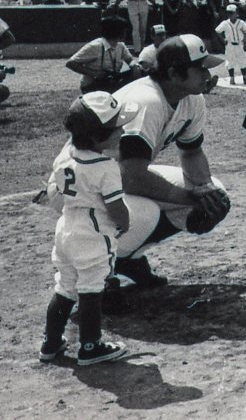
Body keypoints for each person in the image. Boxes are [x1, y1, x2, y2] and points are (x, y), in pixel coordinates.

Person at [39, 35, 231, 291]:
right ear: (174, 73)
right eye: (200, 67)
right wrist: (190, 197)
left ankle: (128, 257)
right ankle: (97, 274)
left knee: (215, 191)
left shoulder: (191, 98)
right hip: (77, 184)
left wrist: (204, 189)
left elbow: (192, 153)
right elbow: (132, 178)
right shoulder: (146, 101)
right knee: (144, 213)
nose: (207, 73)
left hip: (115, 174)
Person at [38, 93, 137, 366]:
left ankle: (51, 342)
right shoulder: (106, 167)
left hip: (66, 226)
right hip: (91, 231)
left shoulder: (67, 157)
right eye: (116, 127)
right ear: (97, 137)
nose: (122, 130)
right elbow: (116, 208)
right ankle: (91, 347)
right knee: (91, 289)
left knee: (65, 286)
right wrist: (125, 223)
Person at [66, 16, 143, 94]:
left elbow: (130, 60)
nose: (126, 33)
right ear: (117, 31)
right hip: (93, 86)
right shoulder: (95, 46)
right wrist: (94, 73)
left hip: (110, 82)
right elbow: (70, 63)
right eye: (124, 30)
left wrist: (134, 66)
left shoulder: (120, 45)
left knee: (141, 71)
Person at [215, 4, 246, 85]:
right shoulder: (225, 23)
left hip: (239, 44)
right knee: (230, 61)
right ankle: (232, 79)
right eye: (228, 13)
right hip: (230, 44)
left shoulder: (241, 22)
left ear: (236, 13)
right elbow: (217, 31)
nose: (230, 14)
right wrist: (223, 39)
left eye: (232, 13)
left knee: (242, 61)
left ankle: (245, 78)